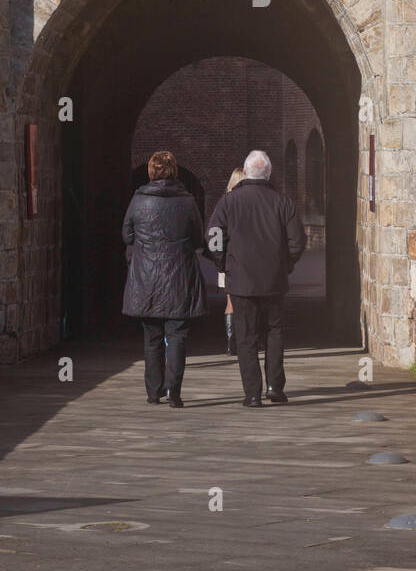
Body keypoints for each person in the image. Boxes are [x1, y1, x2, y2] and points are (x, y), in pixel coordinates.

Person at [207, 149, 306, 407]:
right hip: (273, 281)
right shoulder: (282, 202)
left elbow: (214, 236)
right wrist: (286, 265)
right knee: (275, 332)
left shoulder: (229, 202)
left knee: (246, 335)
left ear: (246, 170)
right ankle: (275, 386)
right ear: (269, 173)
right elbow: (297, 241)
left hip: (240, 281)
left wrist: (223, 264)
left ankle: (252, 393)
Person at [122, 150, 207, 408]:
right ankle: (174, 392)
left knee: (152, 337)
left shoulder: (139, 200)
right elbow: (197, 237)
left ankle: (153, 391)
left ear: (151, 171)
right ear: (174, 171)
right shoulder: (187, 200)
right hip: (179, 277)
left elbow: (127, 234)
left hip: (147, 278)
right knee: (178, 335)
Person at [219, 167, 245, 354]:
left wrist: (218, 258)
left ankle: (231, 340)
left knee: (230, 301)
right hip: (246, 259)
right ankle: (246, 336)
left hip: (227, 259)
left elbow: (216, 233)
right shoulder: (249, 203)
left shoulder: (225, 203)